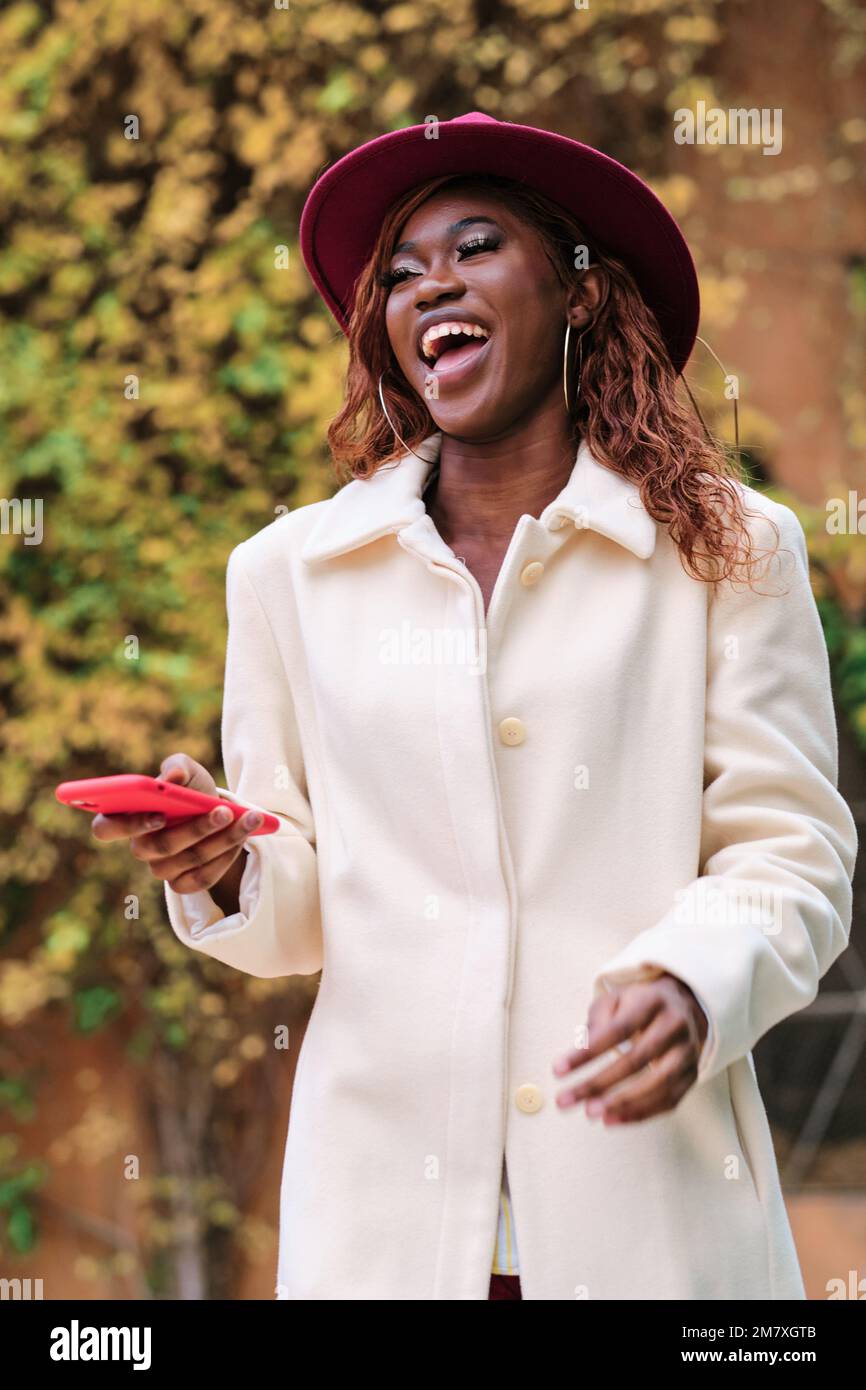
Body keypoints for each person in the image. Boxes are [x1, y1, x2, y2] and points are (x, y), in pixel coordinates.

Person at [93, 113, 857, 1301]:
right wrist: (225, 865)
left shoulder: (728, 548)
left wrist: (692, 978)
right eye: (398, 273)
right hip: (381, 1237)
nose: (426, 285)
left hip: (647, 1225)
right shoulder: (288, 573)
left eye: (474, 247)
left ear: (576, 291)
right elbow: (296, 910)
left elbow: (790, 854)